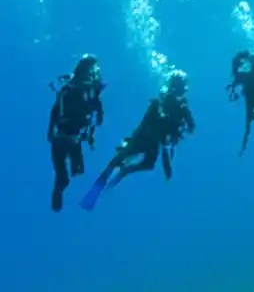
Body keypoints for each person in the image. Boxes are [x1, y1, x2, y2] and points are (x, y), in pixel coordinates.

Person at [80, 70, 196, 211]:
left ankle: (117, 176)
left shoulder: (173, 105)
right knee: (129, 161)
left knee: (138, 163)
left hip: (151, 140)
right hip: (148, 139)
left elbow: (186, 127)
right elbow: (184, 127)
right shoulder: (164, 103)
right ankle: (110, 181)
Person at [47, 54, 105, 212]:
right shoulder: (85, 90)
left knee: (67, 173)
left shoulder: (69, 88)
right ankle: (65, 189)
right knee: (74, 171)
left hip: (63, 137)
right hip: (72, 138)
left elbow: (55, 110)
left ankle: (61, 187)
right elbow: (96, 116)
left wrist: (50, 131)